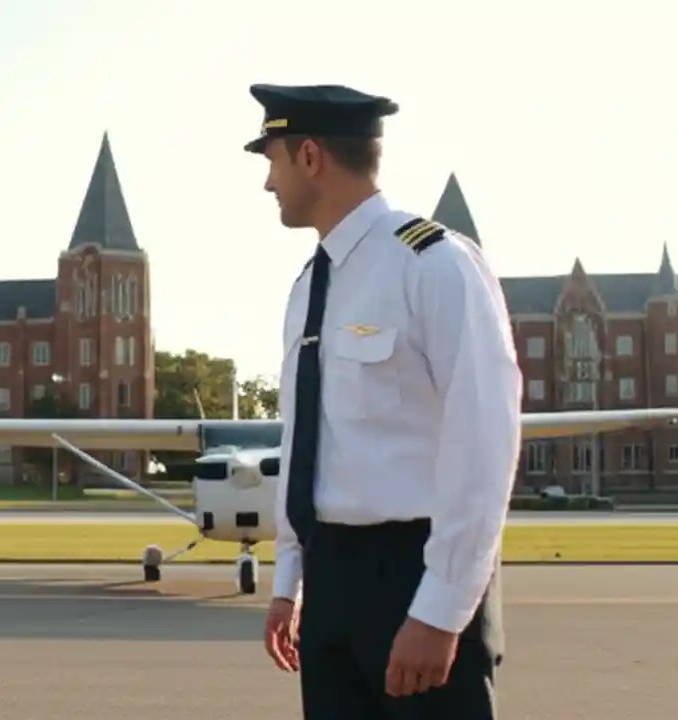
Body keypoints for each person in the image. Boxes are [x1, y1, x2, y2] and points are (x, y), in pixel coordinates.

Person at [247, 83, 523, 718]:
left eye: (273, 161)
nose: (269, 184)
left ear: (310, 156)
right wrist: (290, 580)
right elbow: (306, 442)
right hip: (331, 578)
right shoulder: (307, 286)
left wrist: (442, 609)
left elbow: (484, 442)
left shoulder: (435, 264)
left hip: (415, 572)